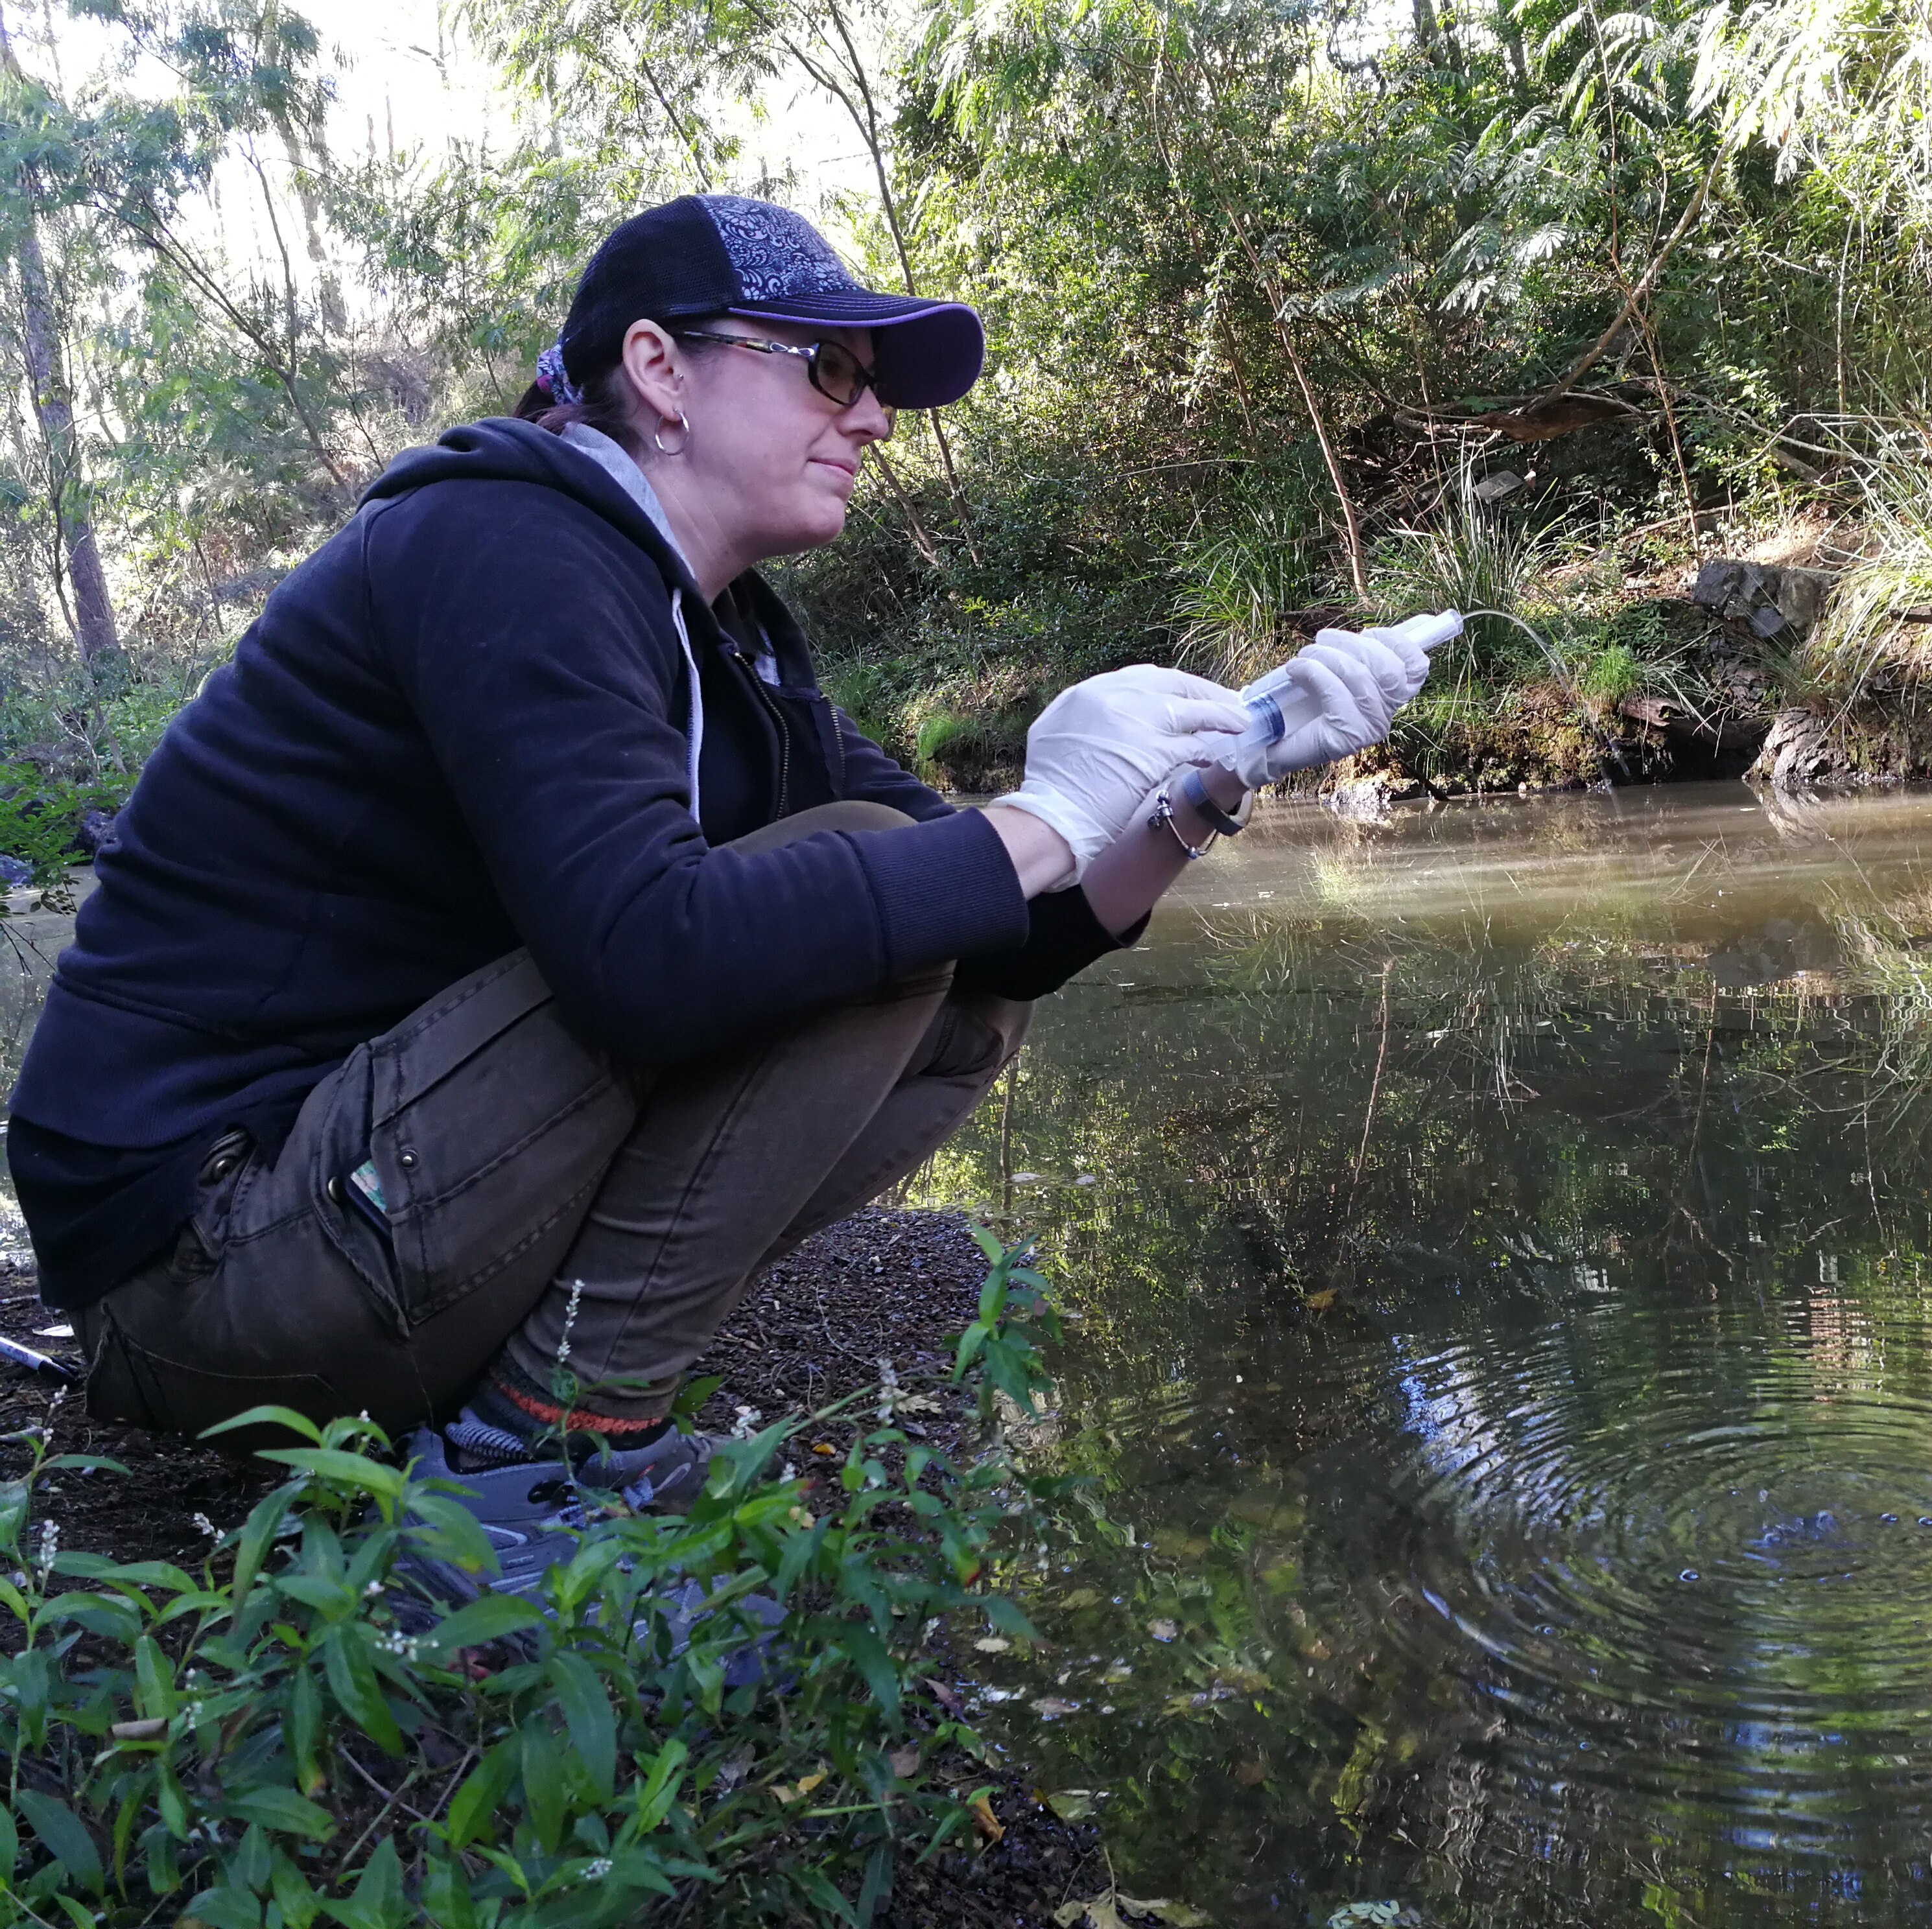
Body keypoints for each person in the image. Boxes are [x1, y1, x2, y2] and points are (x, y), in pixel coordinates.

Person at [6, 194, 1430, 1593]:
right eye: (827, 368)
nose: (872, 418)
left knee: (946, 960)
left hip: (364, 1207)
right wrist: (1046, 810)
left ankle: (544, 1419)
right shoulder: (498, 545)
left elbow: (1005, 936)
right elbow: (648, 962)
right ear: (658, 369)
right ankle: (530, 1464)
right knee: (880, 868)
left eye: (871, 388)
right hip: (201, 1263)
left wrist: (1199, 791)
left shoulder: (731, 641)